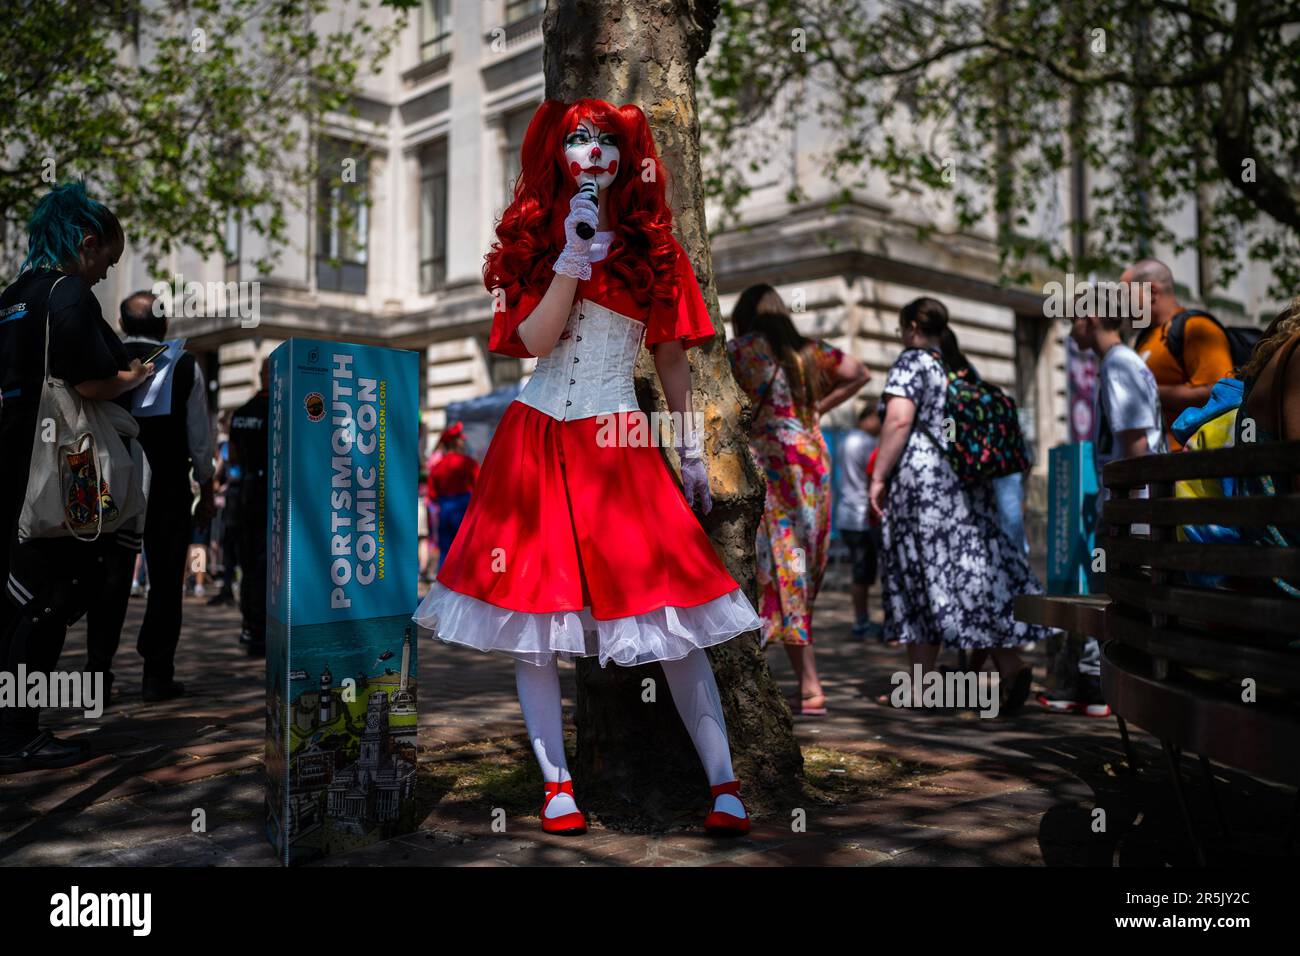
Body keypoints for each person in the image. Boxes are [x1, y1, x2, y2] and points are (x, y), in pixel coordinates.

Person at [414, 98, 763, 835]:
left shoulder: (651, 248)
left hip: (618, 443)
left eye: (606, 141)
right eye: (578, 140)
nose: (593, 152)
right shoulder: (535, 243)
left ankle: (725, 784)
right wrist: (570, 260)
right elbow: (533, 342)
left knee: (671, 616)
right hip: (538, 437)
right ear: (559, 154)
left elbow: (672, 355)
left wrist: (688, 447)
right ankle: (555, 786)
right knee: (534, 619)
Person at [0, 183, 153, 769]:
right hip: (66, 465)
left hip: (14, 461)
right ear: (86, 244)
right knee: (54, 597)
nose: (104, 276)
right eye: (106, 263)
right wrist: (134, 376)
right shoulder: (68, 295)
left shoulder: (13, 295)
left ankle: (11, 727)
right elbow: (90, 383)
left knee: (18, 596)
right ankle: (17, 735)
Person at [869, 297, 1047, 710]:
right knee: (961, 578)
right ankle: (1008, 662)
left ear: (912, 325)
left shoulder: (912, 362)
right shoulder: (952, 367)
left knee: (919, 577)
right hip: (959, 486)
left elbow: (898, 419)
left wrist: (878, 477)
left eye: (901, 328)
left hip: (921, 488)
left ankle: (921, 686)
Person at [727, 285, 870, 716]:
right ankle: (803, 682)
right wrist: (816, 409)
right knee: (799, 567)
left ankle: (808, 685)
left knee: (780, 567)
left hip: (772, 463)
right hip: (813, 461)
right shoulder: (809, 350)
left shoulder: (741, 351)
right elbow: (860, 372)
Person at [93, 292, 215, 702]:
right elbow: (200, 436)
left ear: (124, 325)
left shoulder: (103, 355)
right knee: (165, 581)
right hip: (167, 485)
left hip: (109, 481)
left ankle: (98, 675)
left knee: (108, 577)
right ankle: (156, 673)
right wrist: (207, 484)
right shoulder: (184, 364)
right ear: (163, 325)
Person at [1057, 292, 1166, 715]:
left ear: (1092, 317)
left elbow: (1135, 445)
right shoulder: (1121, 363)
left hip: (1130, 508)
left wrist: (1120, 512)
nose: (1069, 327)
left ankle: (1108, 689)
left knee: (1116, 593)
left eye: (1073, 318)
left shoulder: (1119, 364)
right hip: (1132, 507)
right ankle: (1107, 685)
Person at [1124, 258, 1233, 450]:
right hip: (1155, 462)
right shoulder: (1144, 339)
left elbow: (1221, 394)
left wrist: (1147, 392)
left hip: (1190, 464)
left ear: (1152, 292)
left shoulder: (1197, 329)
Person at [229, 359, 269, 657]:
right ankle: (259, 628)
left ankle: (249, 626)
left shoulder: (241, 412)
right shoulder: (277, 411)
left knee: (248, 564)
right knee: (263, 564)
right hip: (267, 493)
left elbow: (232, 456)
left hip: (243, 491)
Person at [836, 403, 883, 640]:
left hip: (846, 514)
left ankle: (862, 620)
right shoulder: (868, 443)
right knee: (863, 573)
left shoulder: (846, 440)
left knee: (861, 570)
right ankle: (862, 622)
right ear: (869, 417)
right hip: (862, 515)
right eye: (880, 417)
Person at [425, 421, 478, 571]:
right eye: (461, 439)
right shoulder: (469, 463)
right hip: (465, 509)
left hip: (445, 511)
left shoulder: (437, 466)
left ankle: (443, 590)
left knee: (446, 553)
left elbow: (432, 494)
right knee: (467, 551)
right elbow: (480, 488)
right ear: (455, 442)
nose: (463, 442)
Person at [206, 410, 239, 606]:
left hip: (234, 498)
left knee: (217, 542)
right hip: (238, 496)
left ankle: (203, 579)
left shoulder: (228, 445)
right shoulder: (228, 445)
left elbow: (217, 471)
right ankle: (206, 578)